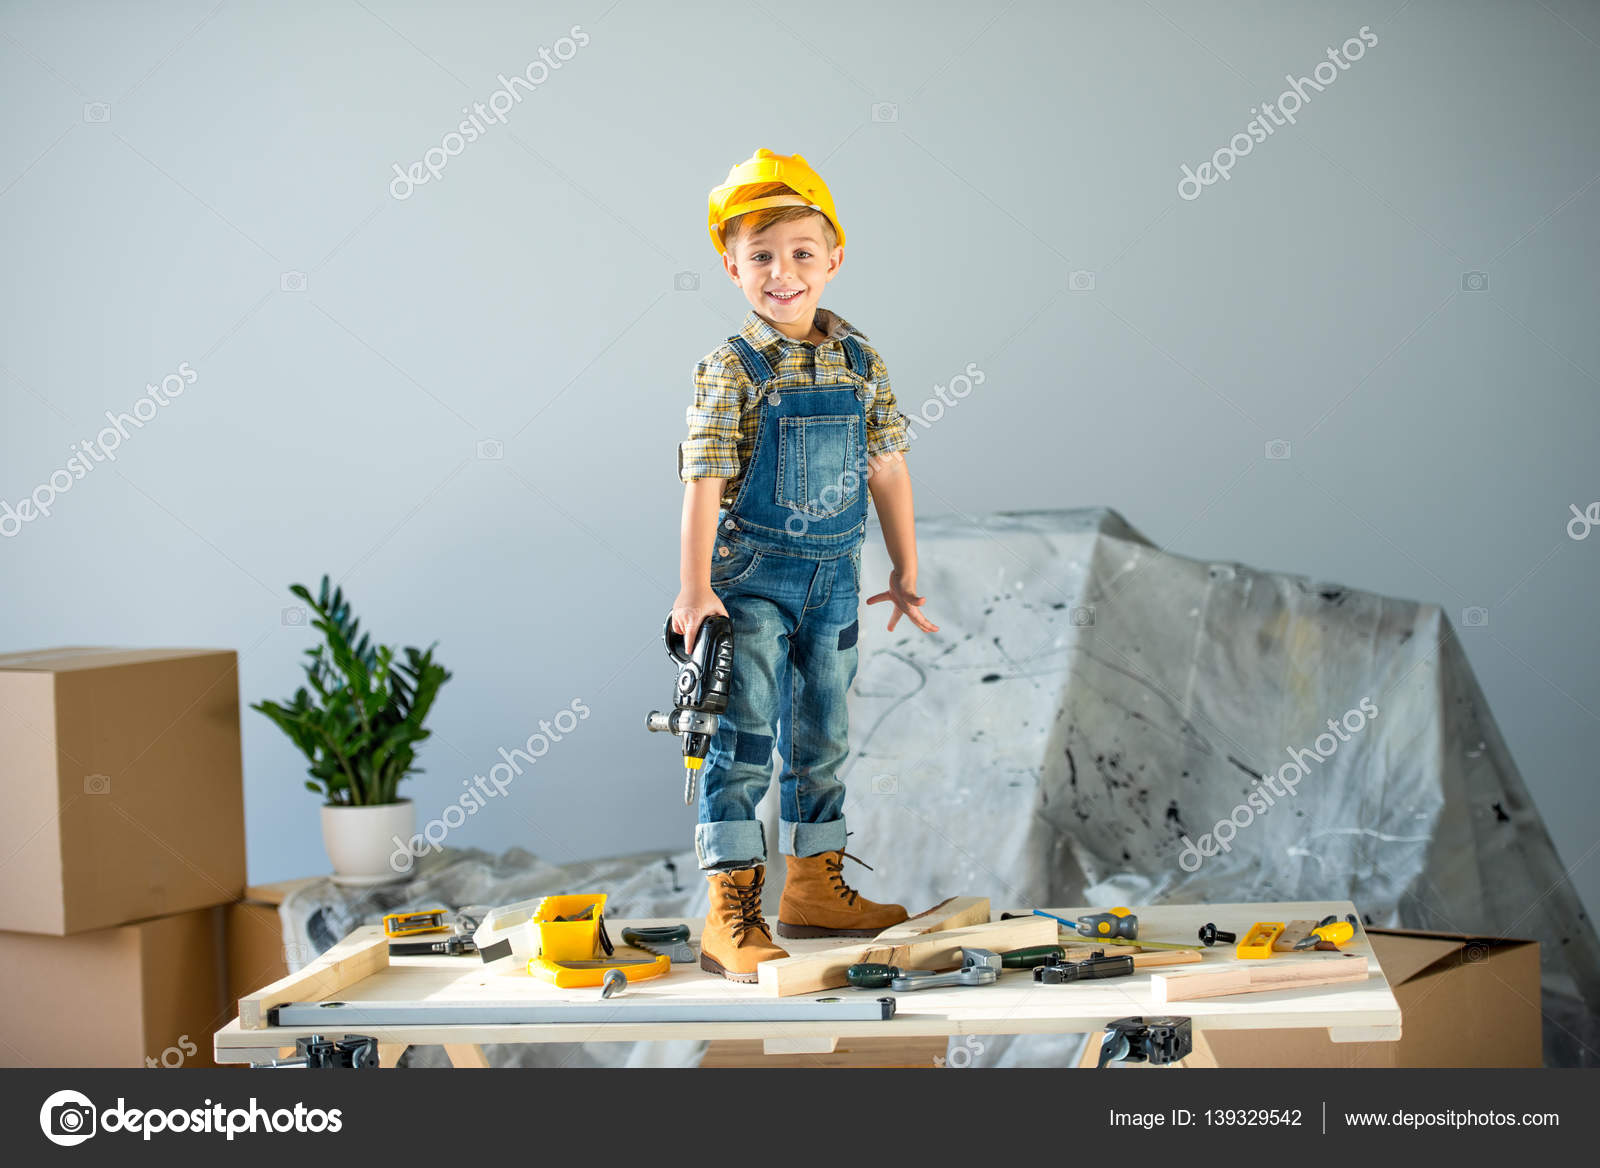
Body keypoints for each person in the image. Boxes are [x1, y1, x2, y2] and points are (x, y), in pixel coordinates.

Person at [672, 148, 940, 981]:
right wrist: (694, 587)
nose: (781, 273)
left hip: (832, 580)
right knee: (743, 738)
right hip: (747, 584)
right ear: (730, 265)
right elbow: (704, 476)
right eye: (759, 256)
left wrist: (903, 567)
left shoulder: (861, 361)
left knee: (823, 737)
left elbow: (887, 465)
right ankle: (730, 909)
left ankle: (815, 888)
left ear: (834, 257)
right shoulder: (733, 367)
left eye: (799, 252)